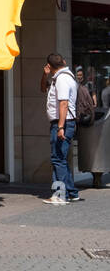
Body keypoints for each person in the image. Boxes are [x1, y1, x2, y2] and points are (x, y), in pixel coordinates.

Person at [42, 53, 83, 204]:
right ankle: (72, 192)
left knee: (58, 159)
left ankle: (60, 195)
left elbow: (63, 103)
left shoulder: (62, 79)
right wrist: (45, 75)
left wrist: (60, 127)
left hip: (63, 123)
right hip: (64, 123)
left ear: (51, 67)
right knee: (60, 159)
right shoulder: (62, 77)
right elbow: (42, 89)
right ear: (64, 62)